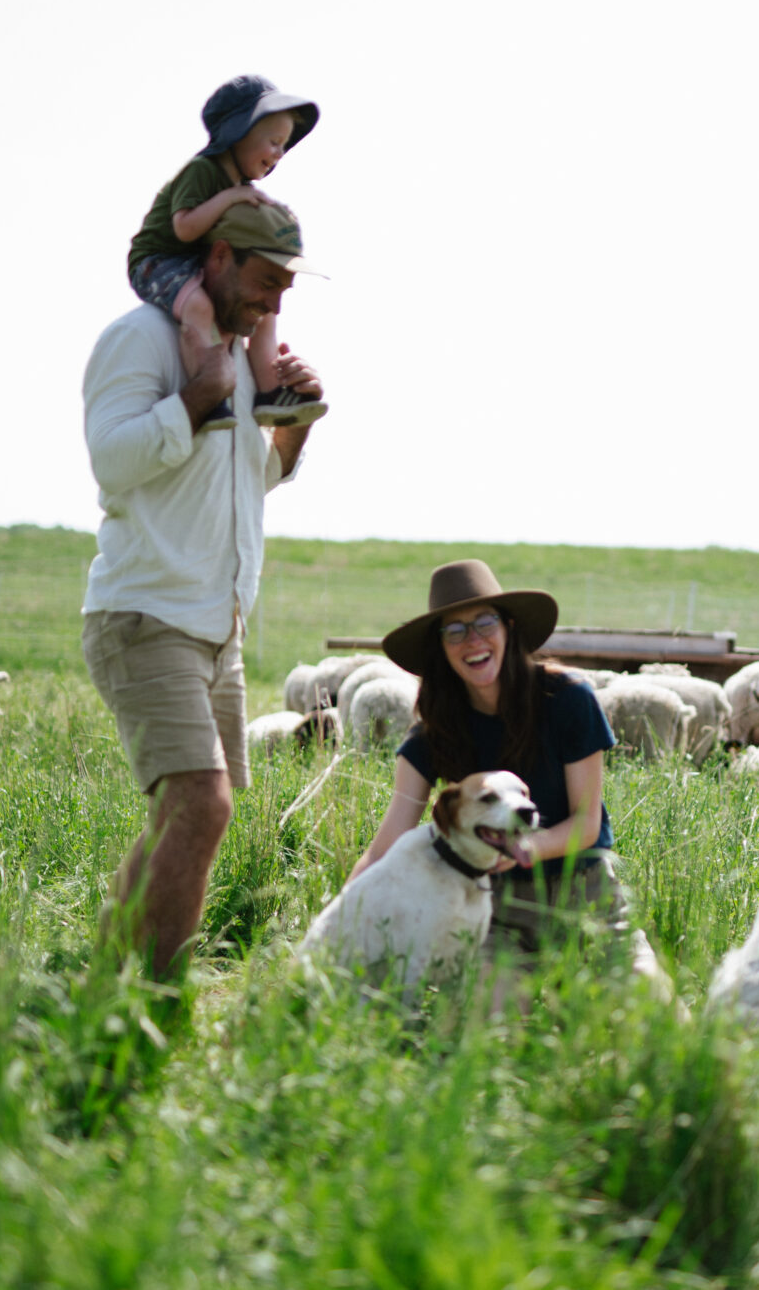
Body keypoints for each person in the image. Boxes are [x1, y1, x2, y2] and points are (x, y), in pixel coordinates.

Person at [82, 196, 325, 979]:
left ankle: (114, 978)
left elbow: (251, 479)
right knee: (201, 802)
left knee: (189, 812)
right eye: (266, 277)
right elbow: (112, 462)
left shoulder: (237, 356)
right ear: (217, 255)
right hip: (146, 613)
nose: (278, 300)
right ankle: (153, 999)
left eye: (289, 283)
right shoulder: (140, 340)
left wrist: (296, 420)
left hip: (217, 627)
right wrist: (198, 394)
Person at [346, 560, 632, 963]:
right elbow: (384, 850)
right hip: (492, 910)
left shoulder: (568, 700)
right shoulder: (432, 735)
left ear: (508, 628)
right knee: (484, 1019)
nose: (472, 640)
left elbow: (586, 824)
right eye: (455, 631)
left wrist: (522, 849)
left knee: (649, 1012)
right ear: (441, 648)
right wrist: (336, 922)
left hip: (584, 892)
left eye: (484, 623)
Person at [127, 73, 326, 431]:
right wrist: (231, 198)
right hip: (157, 260)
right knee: (199, 307)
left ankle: (269, 394)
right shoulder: (203, 171)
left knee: (264, 312)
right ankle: (209, 390)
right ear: (238, 134)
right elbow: (184, 228)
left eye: (284, 145)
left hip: (192, 259)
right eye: (273, 142)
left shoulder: (240, 184)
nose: (279, 153)